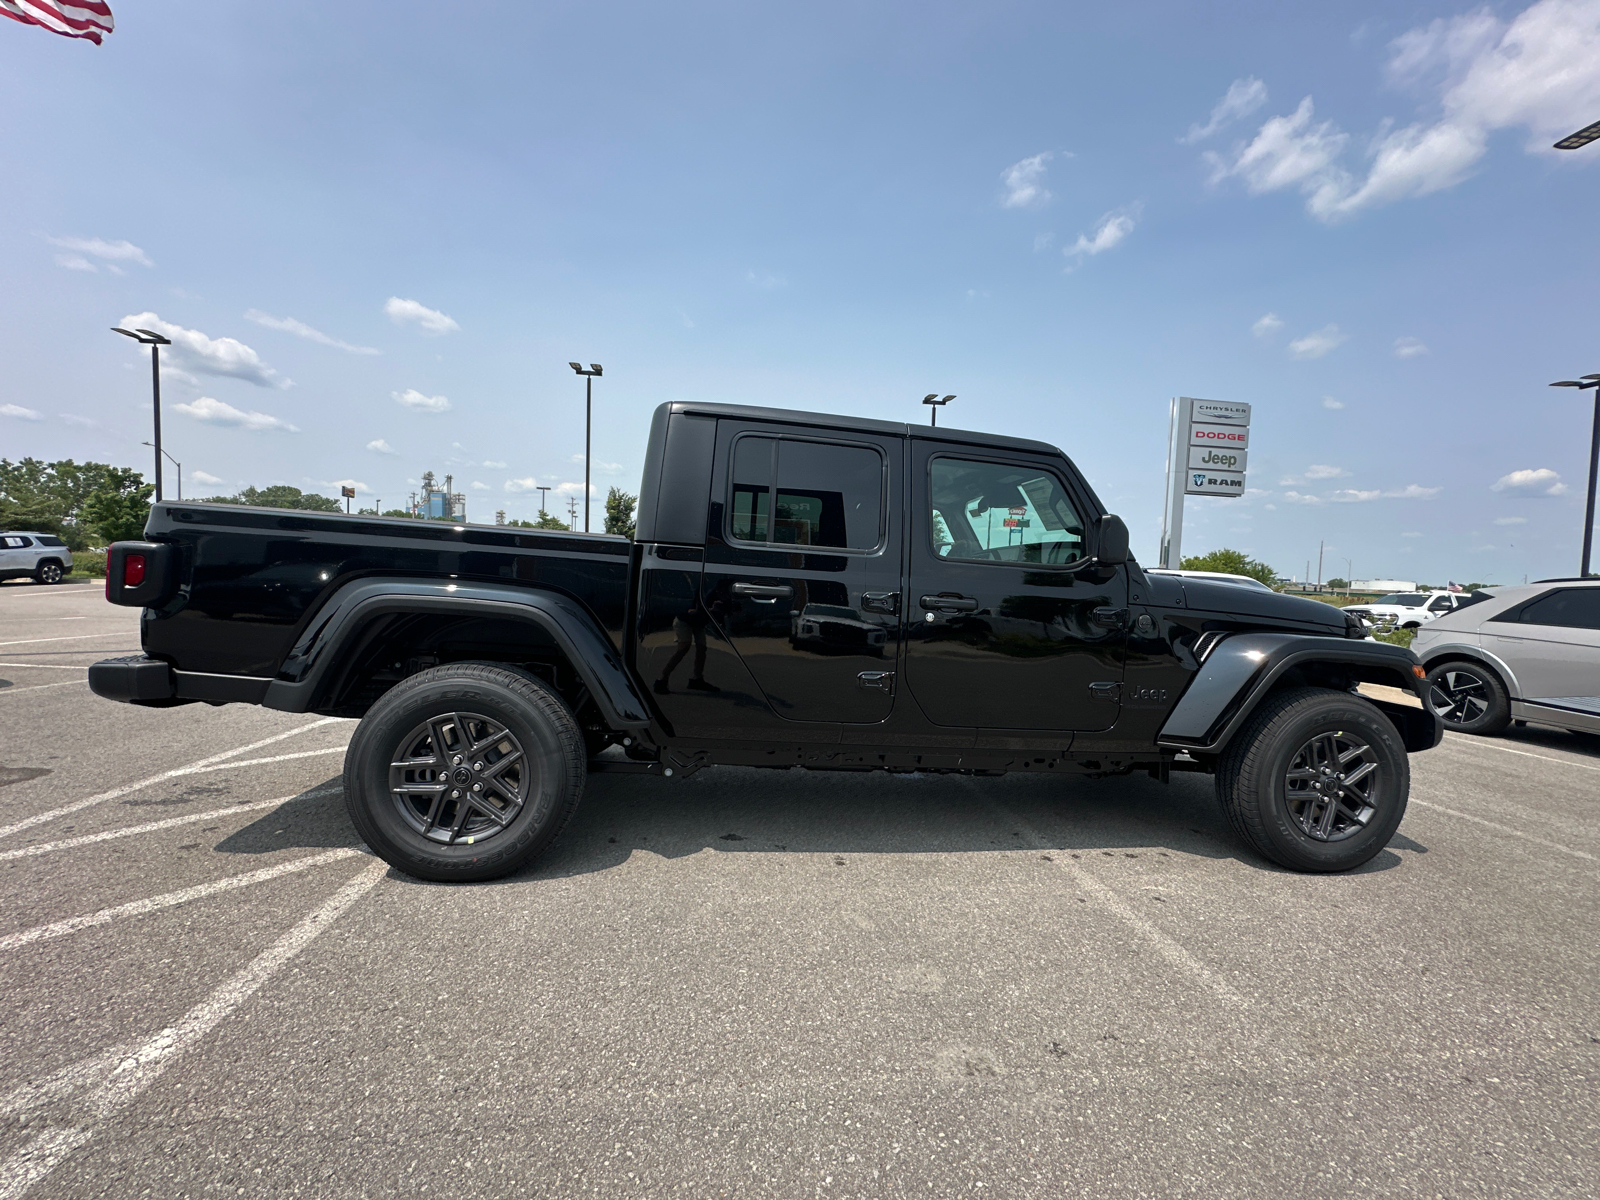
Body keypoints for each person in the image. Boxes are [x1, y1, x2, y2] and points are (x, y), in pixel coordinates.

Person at [655, 598, 718, 693]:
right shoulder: (711, 593)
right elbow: (697, 607)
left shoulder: (725, 596)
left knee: (702, 649)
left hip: (698, 622)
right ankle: (662, 679)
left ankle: (697, 679)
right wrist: (709, 610)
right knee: (683, 648)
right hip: (684, 620)